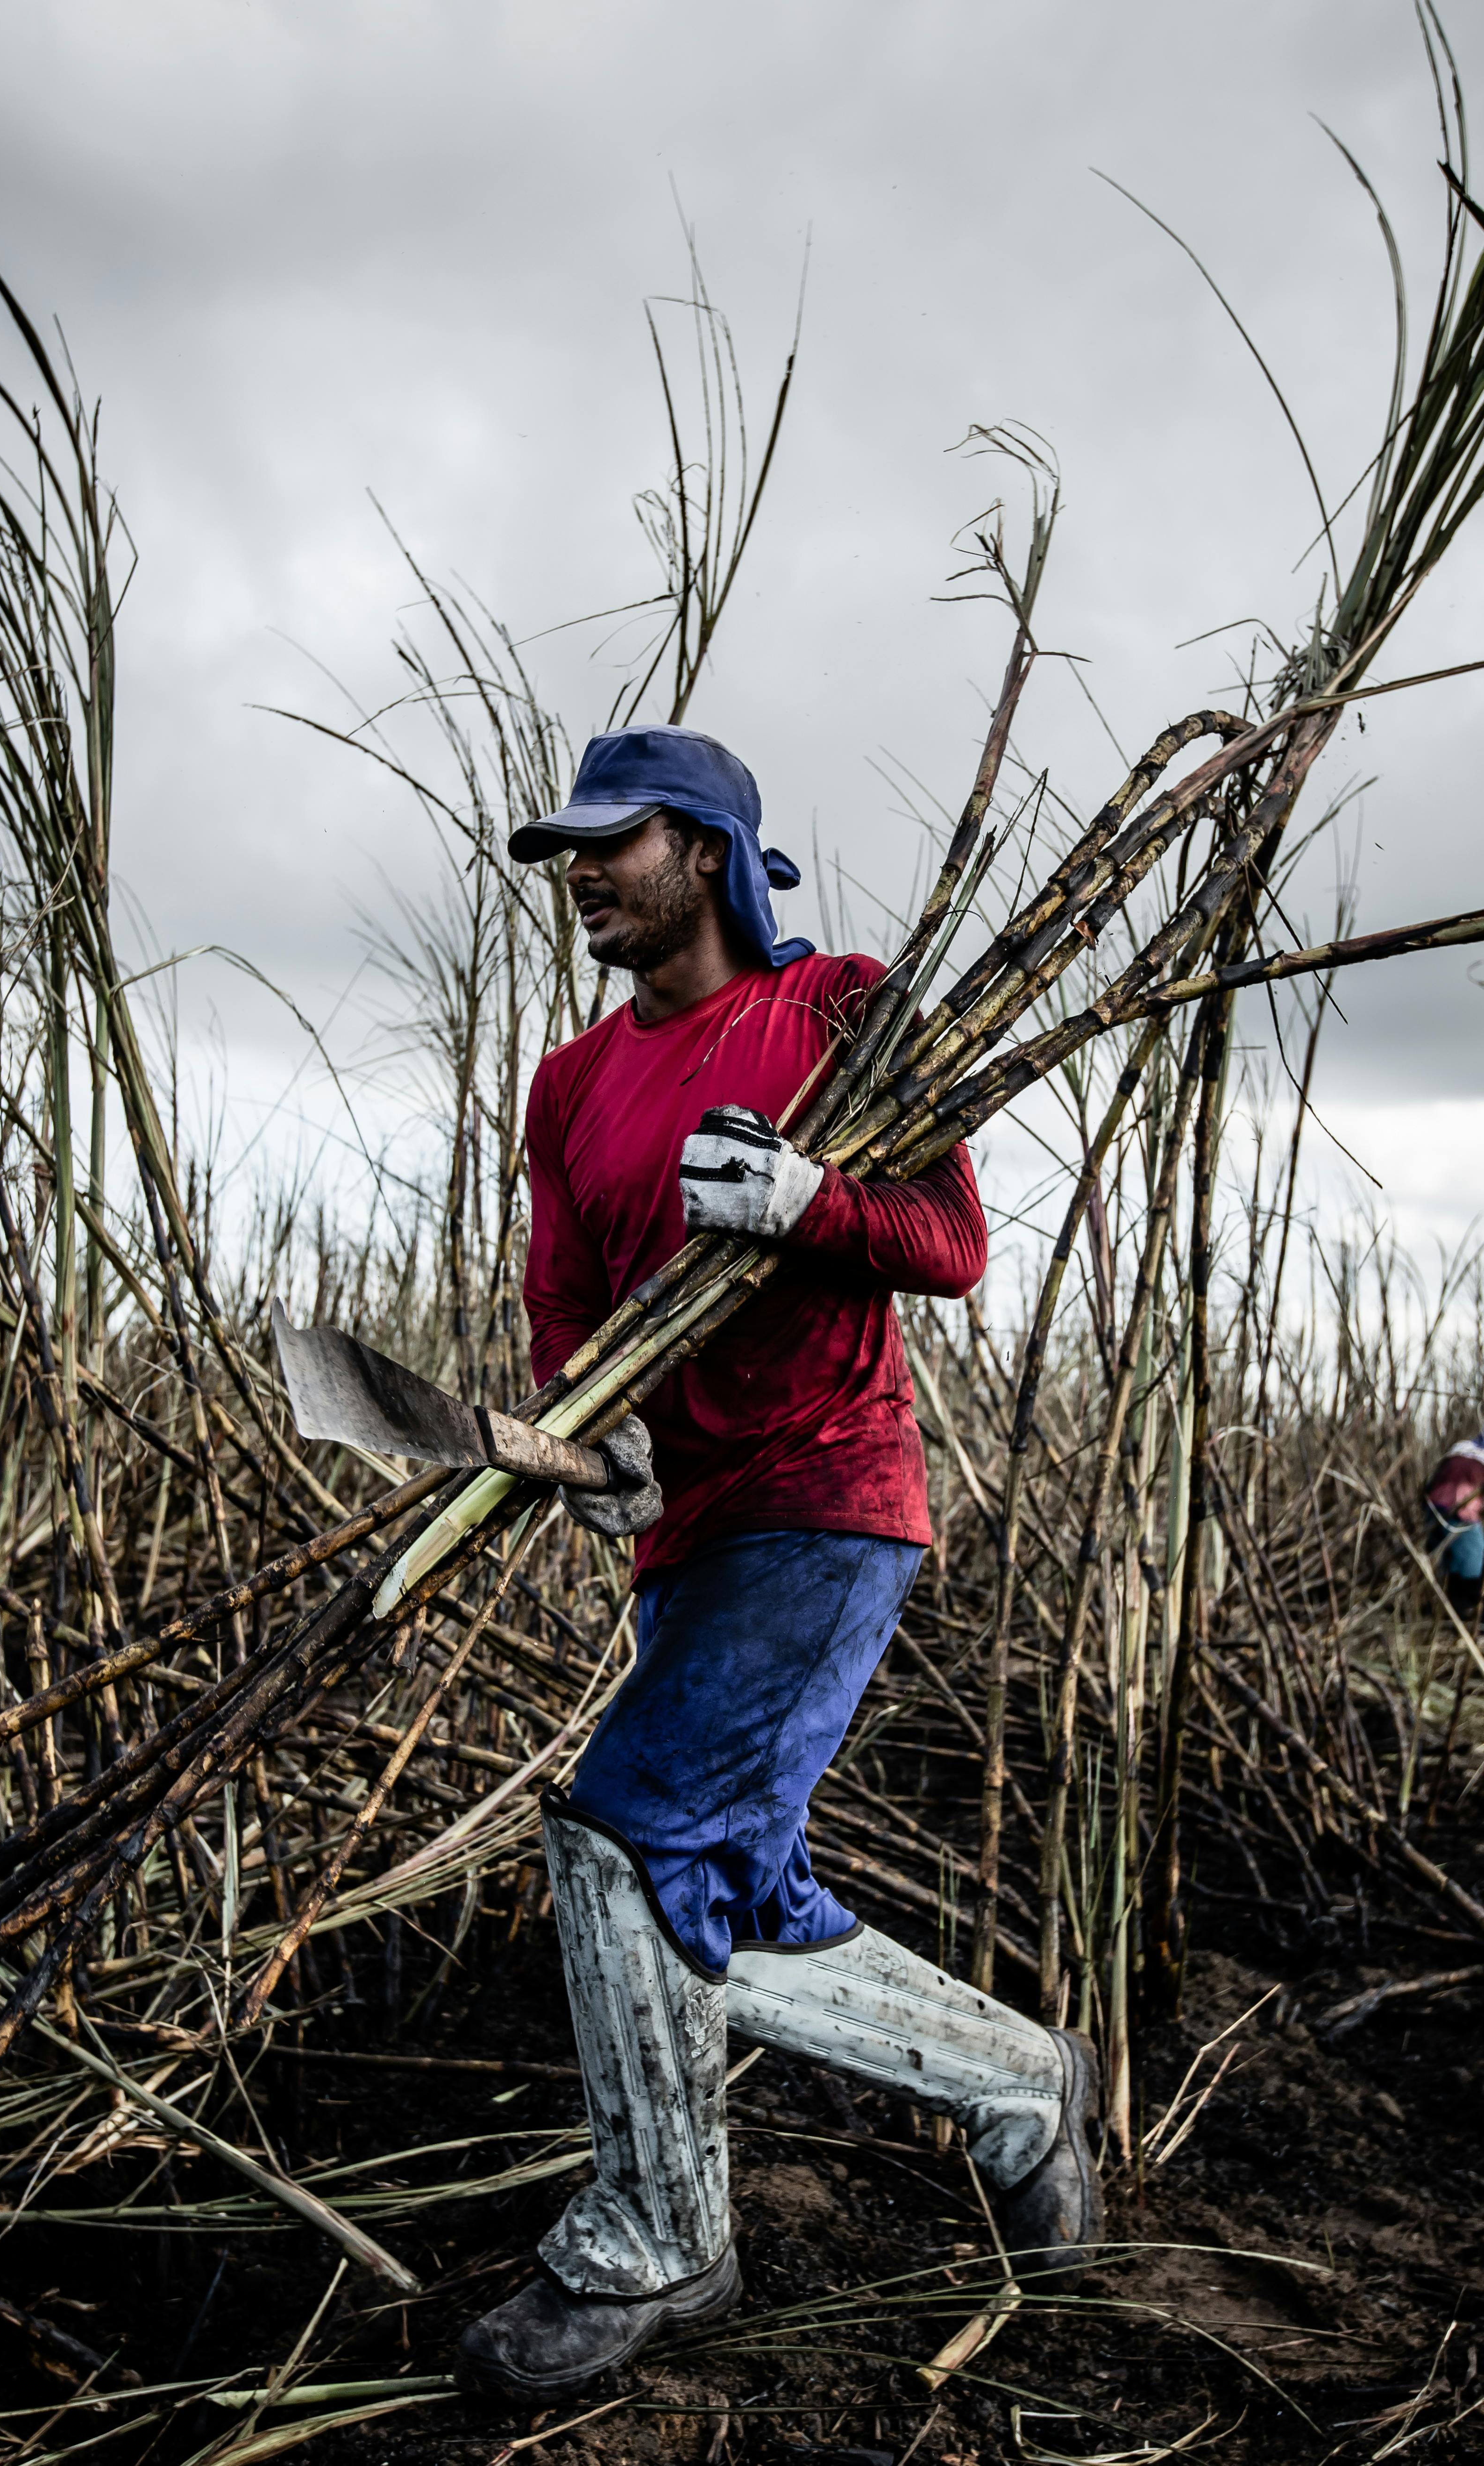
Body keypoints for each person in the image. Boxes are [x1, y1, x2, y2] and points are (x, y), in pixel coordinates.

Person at [458, 725, 1103, 2400]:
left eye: (618, 835)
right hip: (684, 1530)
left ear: (712, 849)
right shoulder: (568, 1082)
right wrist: (576, 1436)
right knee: (730, 1897)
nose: (583, 868)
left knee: (624, 1828)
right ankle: (1018, 2077)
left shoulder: (838, 1010)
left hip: (824, 1499)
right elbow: (563, 1308)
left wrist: (810, 1192)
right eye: (567, 845)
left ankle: (658, 2234)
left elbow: (946, 1239)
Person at [1426, 1427, 1484, 1621]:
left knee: (1452, 1564)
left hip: (1433, 1508)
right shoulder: (1479, 1458)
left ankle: (1449, 1612)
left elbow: (1432, 1481)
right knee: (1473, 1563)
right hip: (1459, 1513)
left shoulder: (1460, 1448)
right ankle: (1464, 1614)